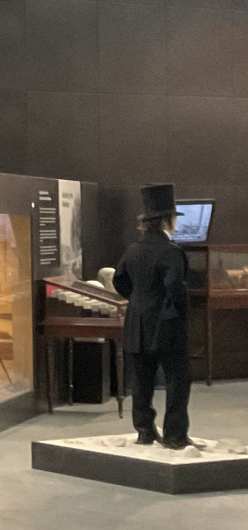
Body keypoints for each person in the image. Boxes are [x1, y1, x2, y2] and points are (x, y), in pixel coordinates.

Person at [113, 183, 193, 449]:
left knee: (142, 381)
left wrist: (137, 300)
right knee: (177, 380)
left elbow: (119, 281)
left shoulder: (132, 250)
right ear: (167, 221)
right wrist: (182, 313)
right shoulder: (171, 252)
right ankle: (174, 435)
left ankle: (145, 431)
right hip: (166, 324)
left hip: (136, 323)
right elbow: (176, 288)